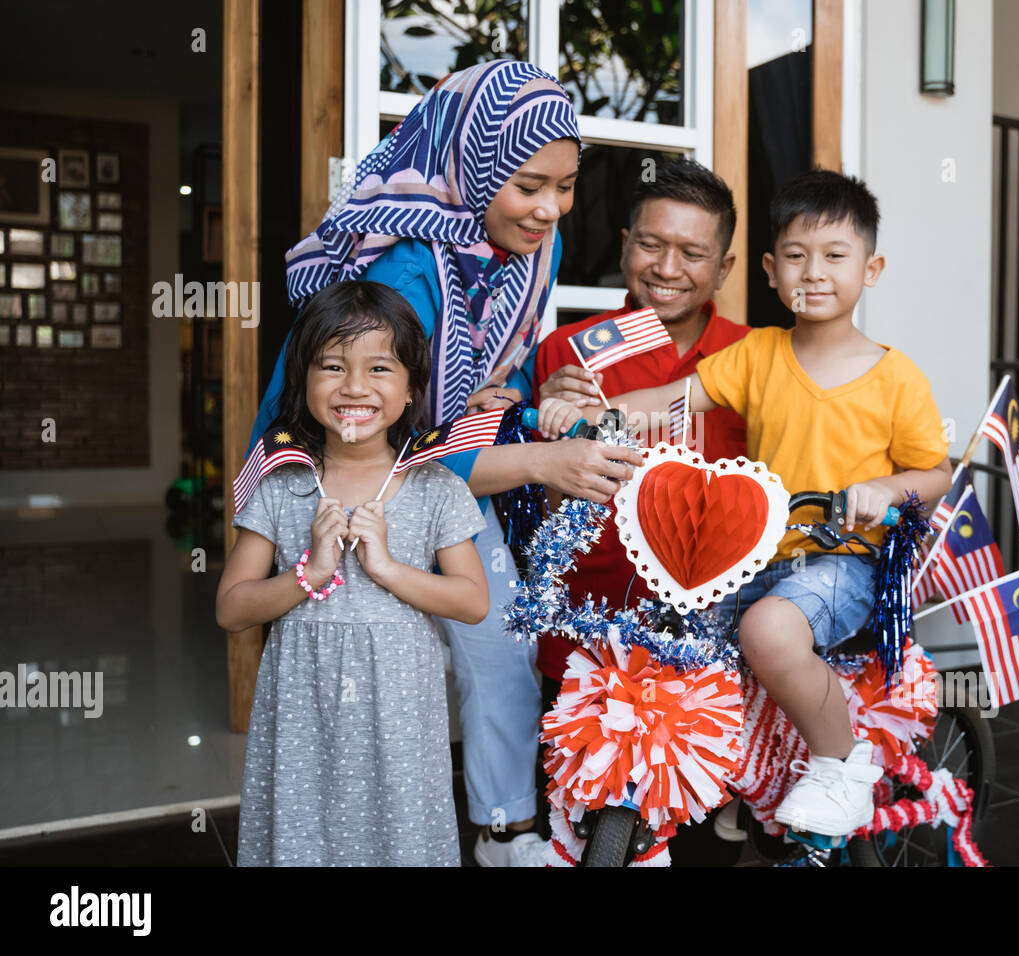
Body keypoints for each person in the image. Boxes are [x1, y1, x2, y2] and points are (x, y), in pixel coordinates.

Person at [244, 60, 643, 866]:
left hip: (444, 472)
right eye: (530, 184)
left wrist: (540, 390)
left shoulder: (526, 248)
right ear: (477, 165)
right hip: (343, 479)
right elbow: (397, 450)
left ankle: (501, 833)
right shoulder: (409, 274)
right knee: (356, 680)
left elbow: (483, 386)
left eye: (565, 186)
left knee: (497, 645)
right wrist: (542, 462)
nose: (549, 208)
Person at [563, 169, 954, 837]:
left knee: (768, 631)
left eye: (836, 255)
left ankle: (842, 765)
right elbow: (673, 403)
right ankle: (721, 777)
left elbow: (936, 470)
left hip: (845, 561)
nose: (816, 271)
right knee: (671, 632)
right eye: (797, 256)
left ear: (872, 268)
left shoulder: (896, 377)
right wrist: (595, 415)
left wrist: (885, 490)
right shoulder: (758, 354)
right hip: (753, 559)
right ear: (771, 270)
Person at [216, 281, 490, 865]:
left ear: (413, 384)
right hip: (301, 709)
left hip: (399, 714)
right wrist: (310, 572)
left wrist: (386, 567)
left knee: (399, 829)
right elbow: (231, 609)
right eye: (333, 366)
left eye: (380, 368)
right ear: (304, 379)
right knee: (302, 824)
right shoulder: (281, 484)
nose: (355, 387)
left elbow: (472, 601)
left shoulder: (436, 487)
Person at [530, 159, 749, 699]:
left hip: (718, 636)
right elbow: (538, 508)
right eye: (651, 245)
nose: (668, 268)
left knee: (708, 784)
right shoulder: (568, 354)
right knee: (580, 783)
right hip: (588, 632)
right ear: (626, 245)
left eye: (693, 253)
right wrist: (557, 428)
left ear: (724, 268)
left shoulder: (755, 358)